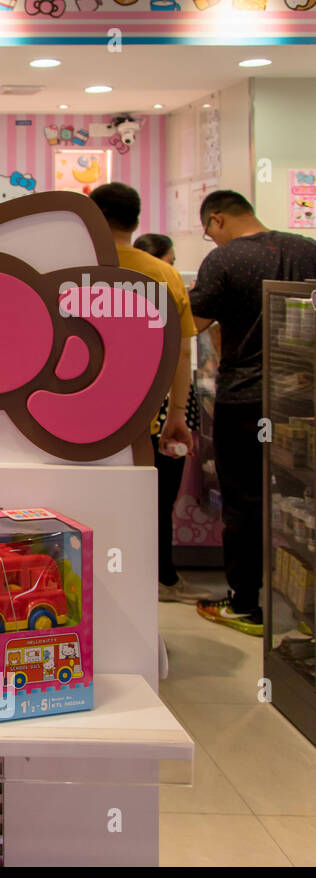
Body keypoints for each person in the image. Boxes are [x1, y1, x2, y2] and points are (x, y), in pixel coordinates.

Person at [191, 190, 316, 636]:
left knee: (244, 502)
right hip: (302, 401)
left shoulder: (224, 262)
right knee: (304, 499)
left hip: (244, 399)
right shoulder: (306, 250)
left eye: (208, 233)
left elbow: (193, 323)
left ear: (218, 219)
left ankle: (245, 605)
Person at [90, 185, 209, 605]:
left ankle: (94, 584)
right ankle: (152, 581)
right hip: (152, 414)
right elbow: (180, 350)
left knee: (89, 501)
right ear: (136, 221)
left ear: (93, 215)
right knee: (152, 498)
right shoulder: (163, 273)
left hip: (83, 412)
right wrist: (178, 411)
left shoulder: (76, 265)